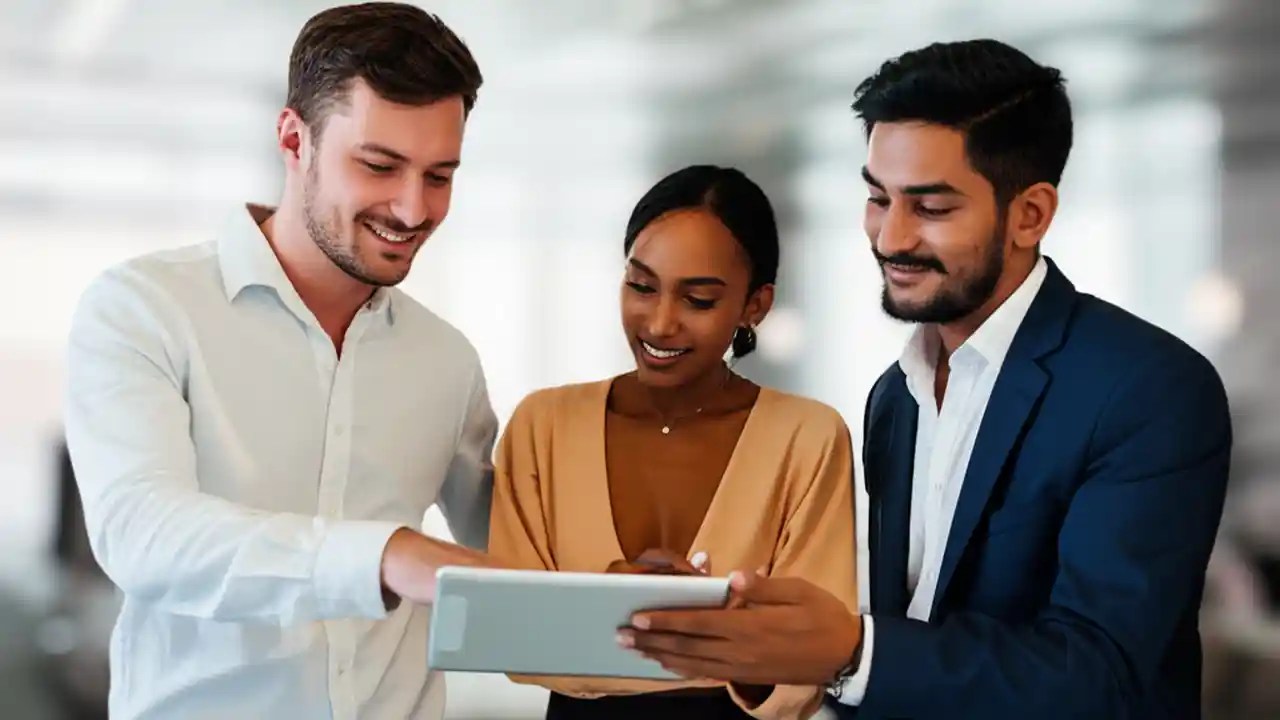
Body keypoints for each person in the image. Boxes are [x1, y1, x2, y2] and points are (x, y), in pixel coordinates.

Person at [620, 39, 1233, 720]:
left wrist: (852, 650)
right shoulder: (895, 395)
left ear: (1030, 214)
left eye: (932, 208)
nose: (890, 238)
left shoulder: (1147, 389)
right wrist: (746, 628)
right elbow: (908, 661)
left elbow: (1102, 678)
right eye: (879, 198)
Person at [63, 4, 498, 718]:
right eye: (379, 165)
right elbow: (142, 531)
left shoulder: (446, 361)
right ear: (294, 138)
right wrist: (382, 556)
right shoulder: (143, 309)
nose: (413, 208)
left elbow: (518, 558)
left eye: (440, 175)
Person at [488, 164, 858, 720]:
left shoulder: (808, 438)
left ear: (755, 305)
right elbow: (508, 635)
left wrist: (595, 618)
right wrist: (711, 630)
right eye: (641, 286)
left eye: (699, 301)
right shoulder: (543, 425)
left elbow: (813, 662)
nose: (659, 324)